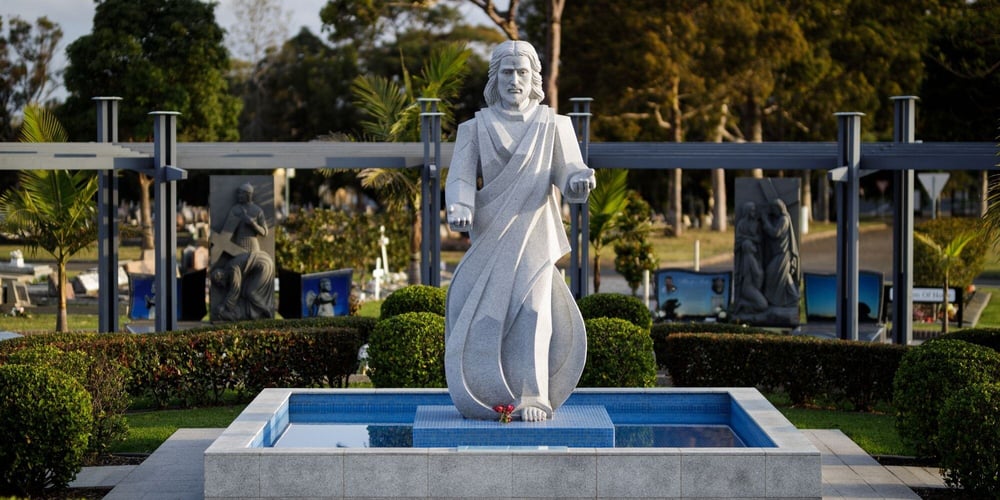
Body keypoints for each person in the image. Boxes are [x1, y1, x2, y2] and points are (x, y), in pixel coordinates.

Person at [445, 40, 596, 422]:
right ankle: (485, 391)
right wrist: (461, 205)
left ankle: (534, 395)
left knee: (533, 310)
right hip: (491, 235)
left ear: (534, 79)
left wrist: (578, 181)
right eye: (508, 72)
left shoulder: (555, 125)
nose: (515, 80)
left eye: (522, 72)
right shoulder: (474, 128)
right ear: (496, 78)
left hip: (535, 233)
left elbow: (569, 170)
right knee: (484, 314)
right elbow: (460, 178)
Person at [760, 199, 799, 308]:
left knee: (771, 273)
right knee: (784, 276)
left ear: (779, 208)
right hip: (778, 253)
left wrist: (765, 220)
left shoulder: (784, 219)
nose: (772, 212)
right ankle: (793, 298)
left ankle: (778, 300)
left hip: (782, 254)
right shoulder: (780, 219)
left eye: (773, 209)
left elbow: (775, 233)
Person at [732, 201, 768, 314]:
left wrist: (748, 239)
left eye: (754, 210)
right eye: (751, 210)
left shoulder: (756, 224)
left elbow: (759, 239)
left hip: (756, 253)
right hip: (748, 253)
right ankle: (743, 304)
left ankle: (745, 303)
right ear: (747, 212)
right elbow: (738, 239)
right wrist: (749, 240)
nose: (754, 212)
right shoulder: (742, 224)